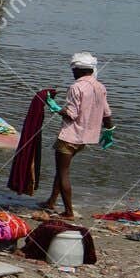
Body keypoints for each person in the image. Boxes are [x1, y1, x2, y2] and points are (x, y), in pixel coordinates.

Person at [40, 52, 114, 219]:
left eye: (73, 70)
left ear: (79, 71)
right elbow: (106, 112)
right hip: (86, 138)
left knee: (63, 172)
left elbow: (71, 114)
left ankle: (68, 212)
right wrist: (109, 130)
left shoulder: (76, 87)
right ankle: (51, 202)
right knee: (61, 170)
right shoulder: (100, 87)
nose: (72, 73)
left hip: (70, 136)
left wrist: (54, 106)